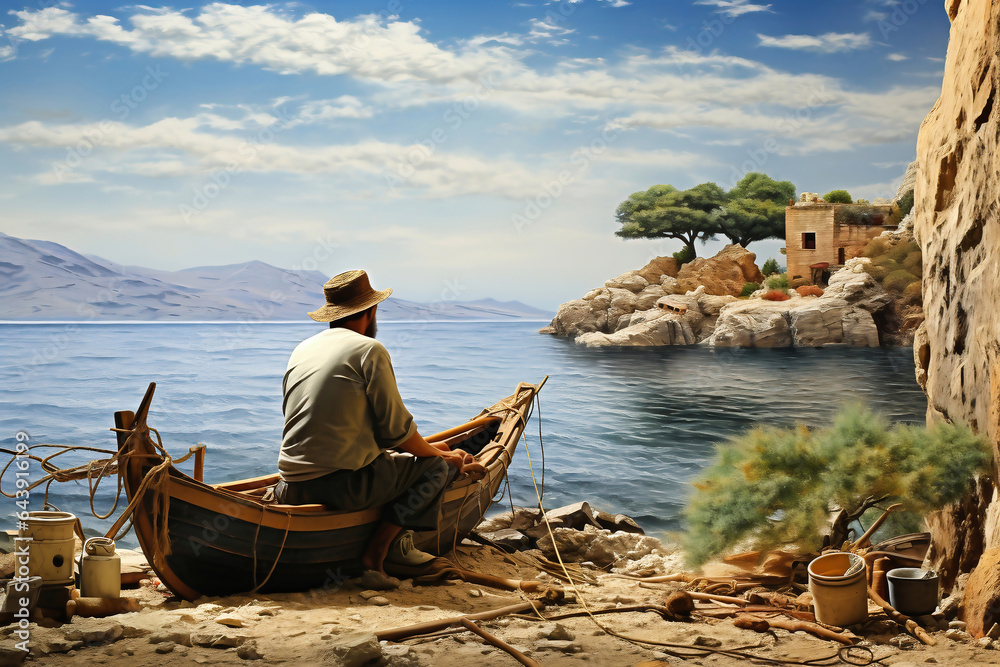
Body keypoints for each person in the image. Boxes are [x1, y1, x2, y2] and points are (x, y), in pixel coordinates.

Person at [274, 269, 478, 574]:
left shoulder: (302, 349)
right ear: (371, 311)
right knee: (436, 468)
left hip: (288, 485)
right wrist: (443, 454)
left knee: (417, 457)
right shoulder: (369, 349)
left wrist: (424, 447)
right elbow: (397, 432)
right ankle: (381, 552)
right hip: (340, 487)